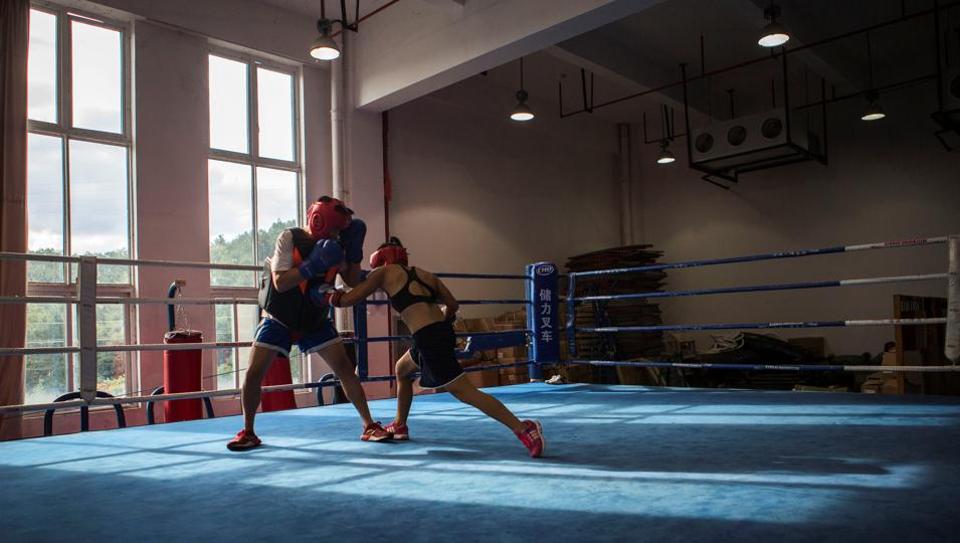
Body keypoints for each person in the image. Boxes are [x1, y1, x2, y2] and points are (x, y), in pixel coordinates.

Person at [322, 237, 545, 458]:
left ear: (381, 260)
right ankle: (400, 424)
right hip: (439, 332)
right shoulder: (426, 275)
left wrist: (327, 296)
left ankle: (523, 428)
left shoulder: (384, 273)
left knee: (464, 392)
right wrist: (439, 325)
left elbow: (350, 298)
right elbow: (453, 306)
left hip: (429, 338)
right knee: (402, 369)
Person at [227, 196, 390, 451]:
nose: (338, 233)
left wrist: (354, 251)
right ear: (319, 221)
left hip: (314, 318)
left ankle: (369, 425)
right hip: (279, 317)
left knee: (345, 368)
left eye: (341, 230)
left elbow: (352, 282)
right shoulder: (289, 238)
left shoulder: (338, 244)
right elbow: (280, 282)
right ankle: (248, 431)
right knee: (253, 373)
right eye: (335, 228)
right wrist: (312, 265)